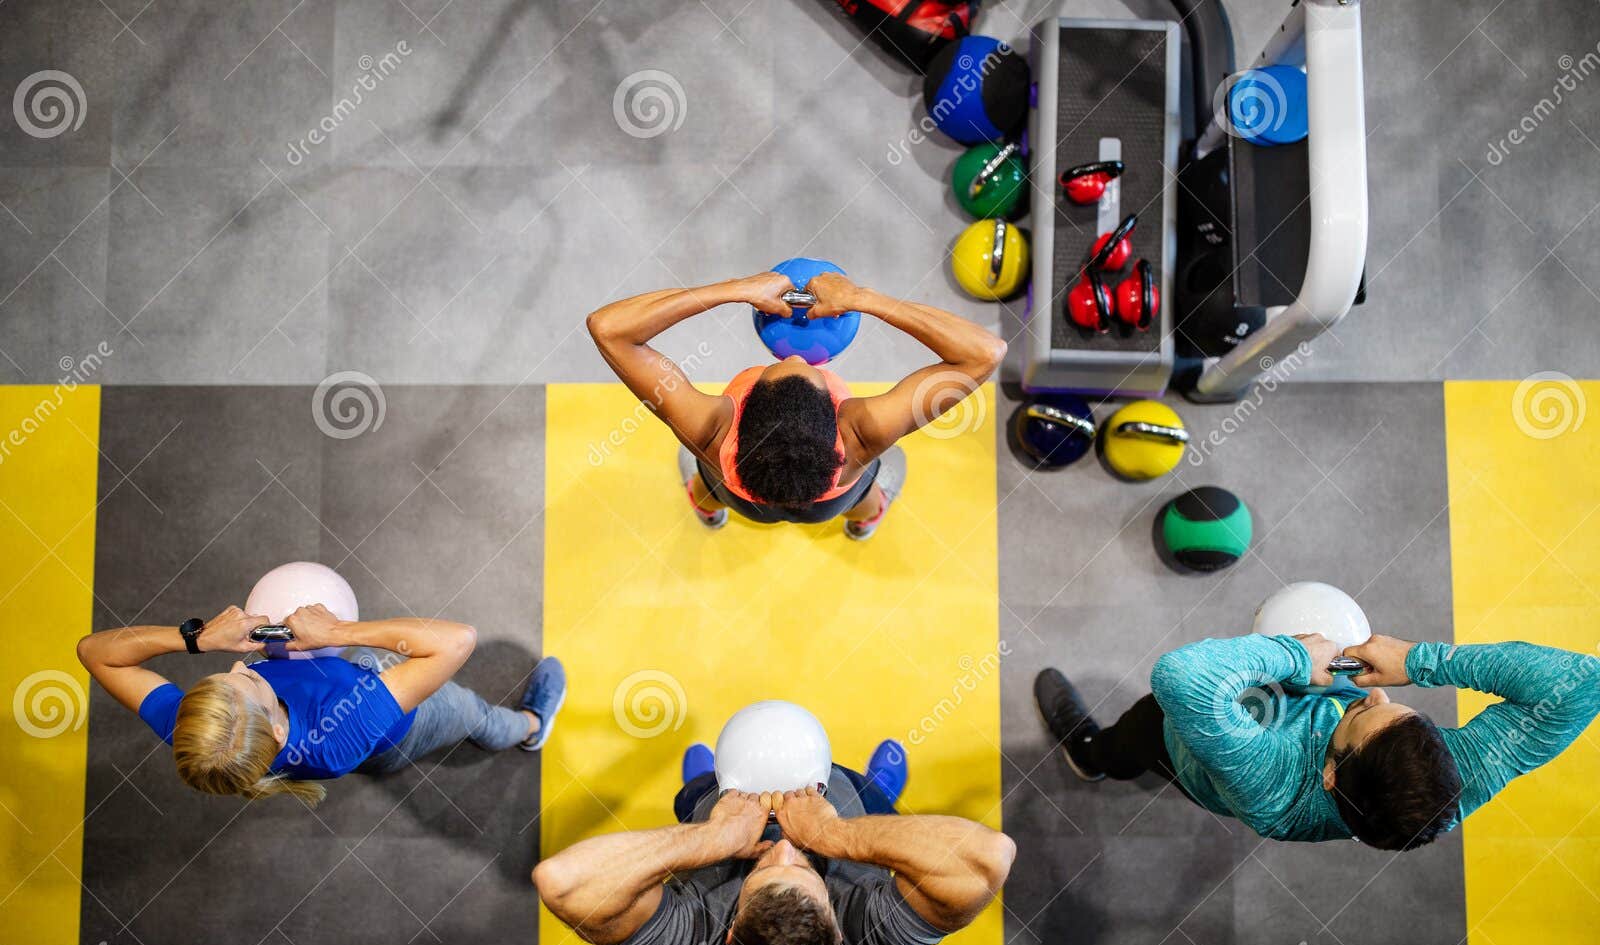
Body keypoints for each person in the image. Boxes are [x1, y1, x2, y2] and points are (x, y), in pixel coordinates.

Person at [532, 739, 1014, 945]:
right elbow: (989, 855)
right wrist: (835, 834)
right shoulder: (872, 942)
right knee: (872, 801)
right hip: (840, 803)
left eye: (764, 872)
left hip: (727, 806)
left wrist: (712, 837)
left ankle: (701, 784)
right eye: (801, 870)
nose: (783, 846)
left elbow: (563, 881)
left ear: (731, 930)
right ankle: (879, 789)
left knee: (695, 796)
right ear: (837, 927)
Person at [1035, 632, 1600, 851]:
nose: (1372, 695)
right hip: (1267, 718)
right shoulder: (1452, 780)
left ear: (1330, 775)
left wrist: (1291, 655)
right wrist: (1420, 662)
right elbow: (1581, 686)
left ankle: (1092, 757)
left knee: (1136, 733)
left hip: (1177, 744)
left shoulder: (1274, 785)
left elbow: (1182, 679)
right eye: (1400, 710)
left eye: (1358, 714)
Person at [585, 270, 1006, 537]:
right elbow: (983, 353)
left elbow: (609, 329)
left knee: (705, 479)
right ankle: (864, 522)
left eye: (783, 366)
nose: (796, 357)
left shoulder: (710, 429)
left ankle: (708, 512)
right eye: (802, 367)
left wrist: (735, 289)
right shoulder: (862, 433)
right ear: (837, 420)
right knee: (871, 486)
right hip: (829, 505)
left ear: (741, 415)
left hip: (742, 497)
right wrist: (863, 298)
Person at [77, 603, 567, 804]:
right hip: (408, 723)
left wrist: (198, 640)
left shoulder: (198, 731)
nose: (239, 666)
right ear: (275, 730)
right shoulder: (337, 737)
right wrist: (337, 631)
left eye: (223, 676)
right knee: (476, 714)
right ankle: (530, 727)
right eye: (246, 683)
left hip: (353, 686)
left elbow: (94, 653)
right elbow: (457, 641)